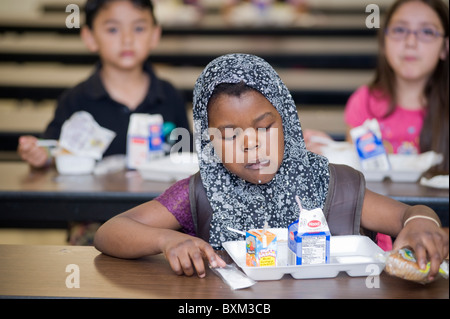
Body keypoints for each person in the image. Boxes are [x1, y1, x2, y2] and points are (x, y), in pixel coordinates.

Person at [94, 54, 448, 281]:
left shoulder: (332, 184)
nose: (251, 144)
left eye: (264, 128)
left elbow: (410, 215)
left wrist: (420, 224)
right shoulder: (202, 191)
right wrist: (166, 240)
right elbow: (110, 232)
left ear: (288, 125)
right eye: (230, 135)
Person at [17, 0, 191, 168]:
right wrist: (40, 155)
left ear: (154, 35)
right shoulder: (75, 100)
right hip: (91, 198)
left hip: (160, 198)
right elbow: (53, 150)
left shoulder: (170, 96)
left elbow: (186, 158)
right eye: (113, 29)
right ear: (90, 37)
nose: (127, 39)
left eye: (139, 28)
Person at [304, 0, 449, 176]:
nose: (411, 42)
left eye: (427, 31)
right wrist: (335, 152)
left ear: (445, 47)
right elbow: (360, 175)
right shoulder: (364, 102)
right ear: (384, 41)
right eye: (400, 30)